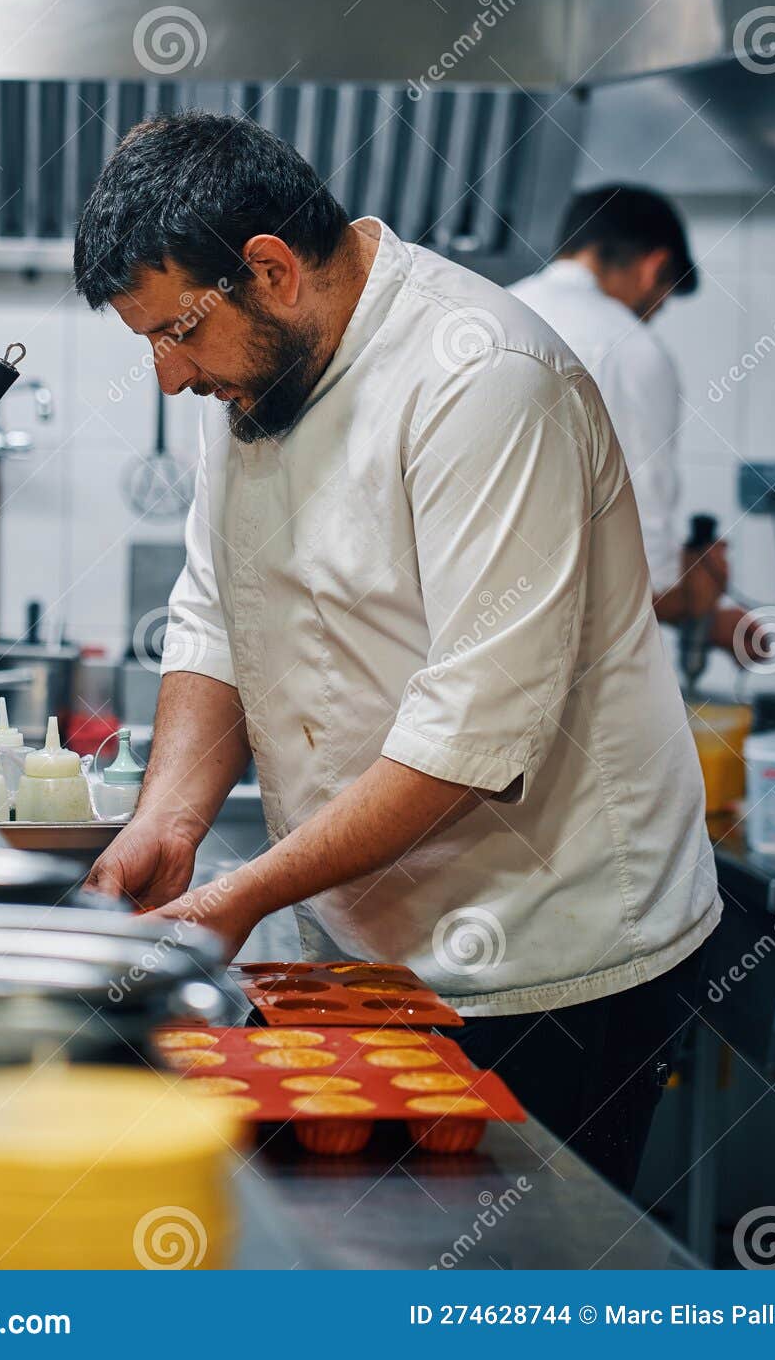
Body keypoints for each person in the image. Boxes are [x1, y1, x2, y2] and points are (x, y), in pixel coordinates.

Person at [74, 114, 721, 1192]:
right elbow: (217, 615)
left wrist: (239, 898)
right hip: (362, 948)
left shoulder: (484, 378)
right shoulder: (252, 376)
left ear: (271, 271)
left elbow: (472, 734)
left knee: (519, 1291)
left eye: (174, 335)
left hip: (545, 958)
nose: (168, 376)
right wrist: (169, 819)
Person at [511, 186, 752, 658]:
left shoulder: (486, 312)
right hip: (561, 660)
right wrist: (698, 593)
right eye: (662, 300)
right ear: (654, 267)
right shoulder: (630, 350)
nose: (654, 313)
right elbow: (650, 578)